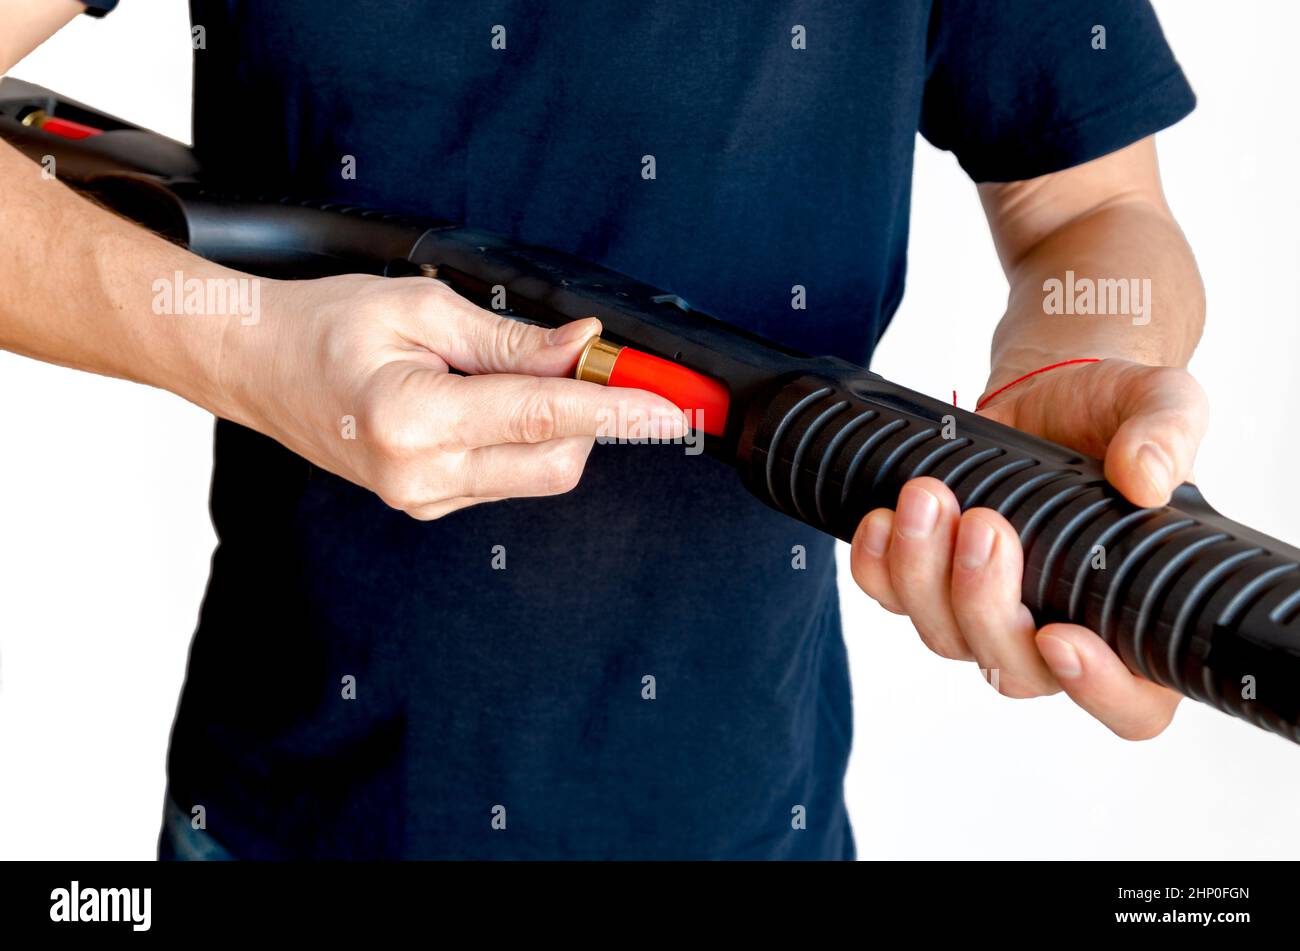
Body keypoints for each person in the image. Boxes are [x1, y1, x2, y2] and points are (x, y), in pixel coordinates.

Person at [0, 0, 1206, 859]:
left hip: (753, 822)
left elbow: (1087, 203)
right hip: (290, 824)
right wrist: (241, 346)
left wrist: (1084, 360)